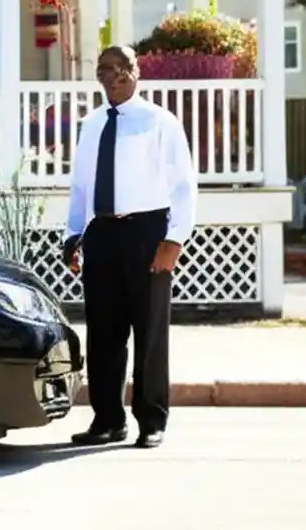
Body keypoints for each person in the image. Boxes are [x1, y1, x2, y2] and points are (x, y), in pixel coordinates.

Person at [62, 45, 197, 449]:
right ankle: (107, 419)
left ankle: (151, 420)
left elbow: (183, 185)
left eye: (122, 69)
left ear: (137, 73)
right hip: (101, 234)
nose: (113, 77)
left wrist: (174, 240)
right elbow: (82, 186)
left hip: (148, 233)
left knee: (149, 332)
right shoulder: (91, 124)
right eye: (105, 70)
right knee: (103, 333)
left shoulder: (160, 122)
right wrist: (73, 235)